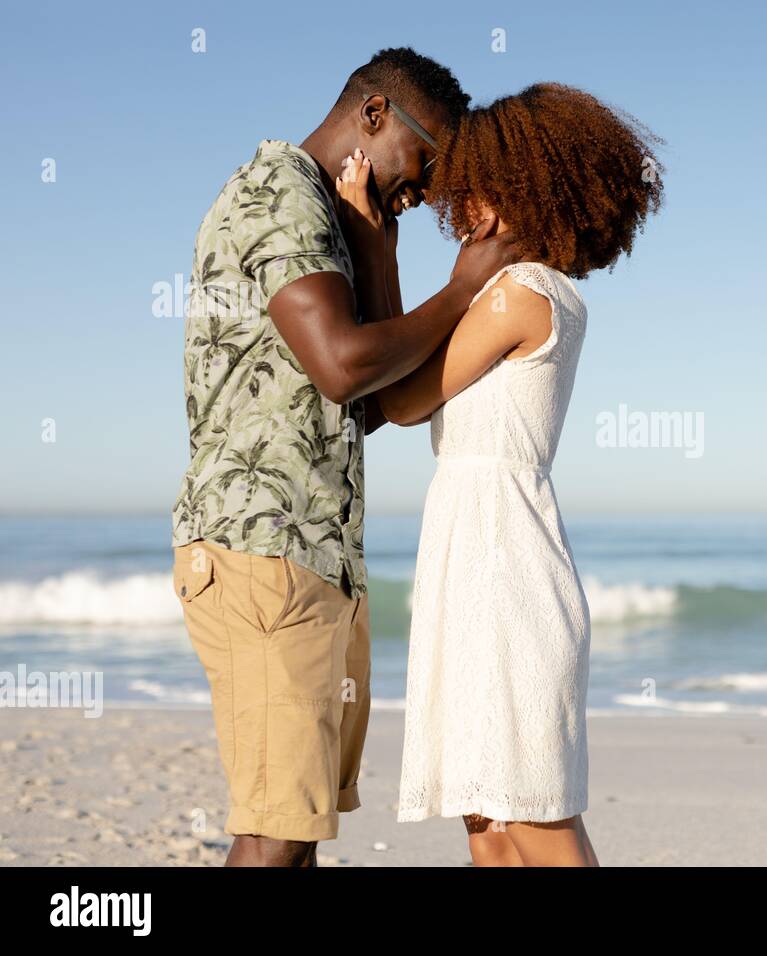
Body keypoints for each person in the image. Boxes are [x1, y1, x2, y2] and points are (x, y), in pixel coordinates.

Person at [170, 47, 517, 867]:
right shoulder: (279, 195)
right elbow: (344, 363)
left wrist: (382, 254)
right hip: (262, 555)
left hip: (313, 558)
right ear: (373, 115)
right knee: (276, 833)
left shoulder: (326, 220)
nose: (425, 189)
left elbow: (375, 407)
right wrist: (465, 287)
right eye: (425, 161)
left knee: (300, 822)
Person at [334, 81, 663, 866]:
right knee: (486, 815)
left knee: (534, 810)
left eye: (481, 183)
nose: (465, 202)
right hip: (473, 550)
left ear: (530, 190)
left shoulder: (522, 294)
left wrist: (377, 242)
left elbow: (405, 399)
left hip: (505, 560)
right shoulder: (510, 292)